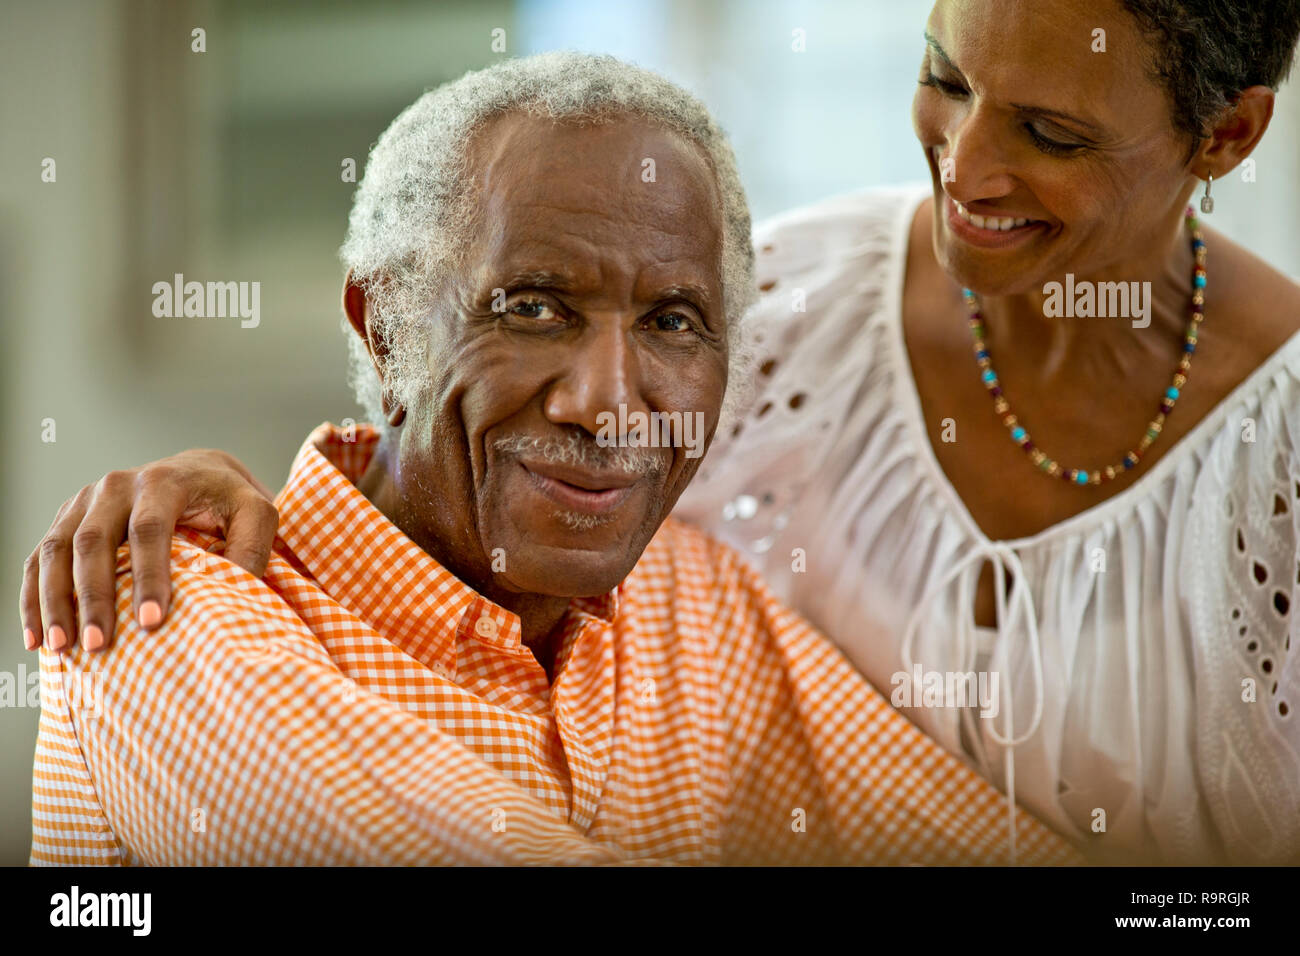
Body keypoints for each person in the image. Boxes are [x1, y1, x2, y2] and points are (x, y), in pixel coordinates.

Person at [23, 0, 1300, 864]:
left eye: (678, 321)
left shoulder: (693, 602)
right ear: (382, 326)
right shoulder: (169, 598)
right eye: (531, 307)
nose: (606, 400)